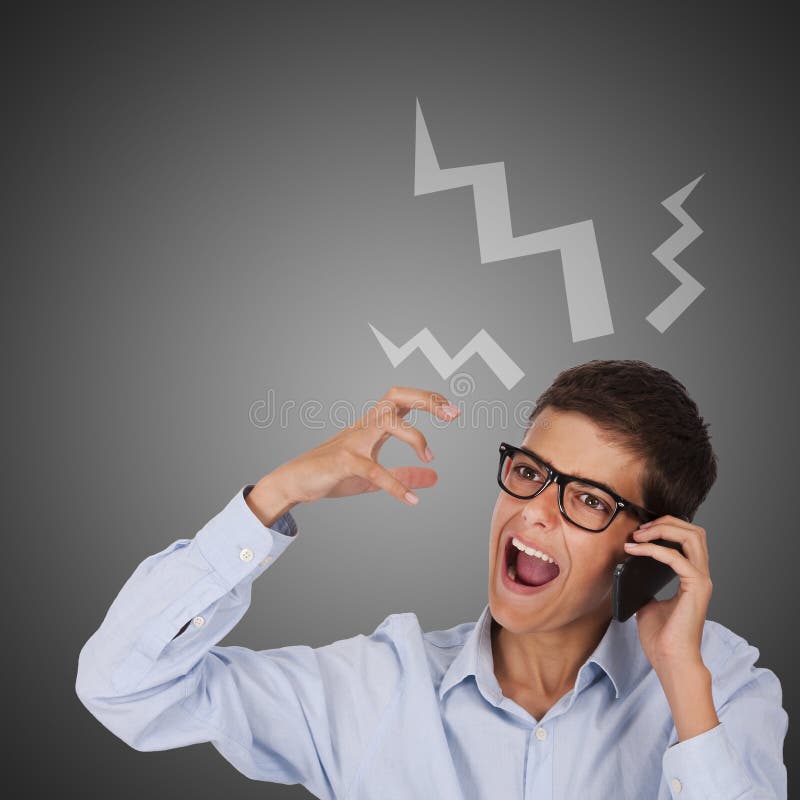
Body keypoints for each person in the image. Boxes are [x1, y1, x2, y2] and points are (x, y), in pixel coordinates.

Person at [75, 359, 788, 799]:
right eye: (532, 473)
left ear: (649, 546)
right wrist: (276, 494)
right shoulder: (376, 690)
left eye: (589, 500)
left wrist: (683, 685)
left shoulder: (719, 690)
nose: (535, 513)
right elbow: (122, 686)